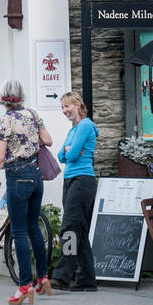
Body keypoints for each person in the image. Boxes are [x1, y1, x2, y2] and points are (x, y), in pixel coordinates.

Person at [0, 79, 53, 304]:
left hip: (17, 177)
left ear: (2, 98)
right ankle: (42, 277)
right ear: (21, 96)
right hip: (35, 176)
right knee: (34, 227)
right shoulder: (32, 115)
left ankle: (24, 285)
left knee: (19, 232)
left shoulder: (4, 121)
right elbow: (48, 140)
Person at [50, 91, 98, 292]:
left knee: (69, 228)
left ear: (78, 105)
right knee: (79, 231)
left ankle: (62, 276)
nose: (64, 111)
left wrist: (71, 151)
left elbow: (73, 153)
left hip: (82, 180)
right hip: (70, 180)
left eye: (67, 106)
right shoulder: (74, 128)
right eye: (62, 107)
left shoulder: (86, 126)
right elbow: (62, 155)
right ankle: (87, 279)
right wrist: (69, 151)